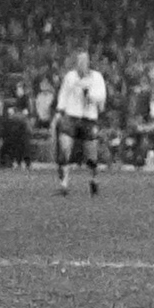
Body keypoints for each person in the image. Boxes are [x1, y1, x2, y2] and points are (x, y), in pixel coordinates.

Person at [52, 47, 109, 196]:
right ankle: (64, 184)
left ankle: (93, 179)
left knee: (91, 155)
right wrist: (59, 111)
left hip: (88, 119)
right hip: (71, 116)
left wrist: (90, 95)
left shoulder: (96, 77)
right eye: (79, 61)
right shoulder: (70, 77)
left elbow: (101, 97)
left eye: (84, 61)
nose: (82, 64)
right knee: (65, 149)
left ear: (88, 62)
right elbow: (63, 94)